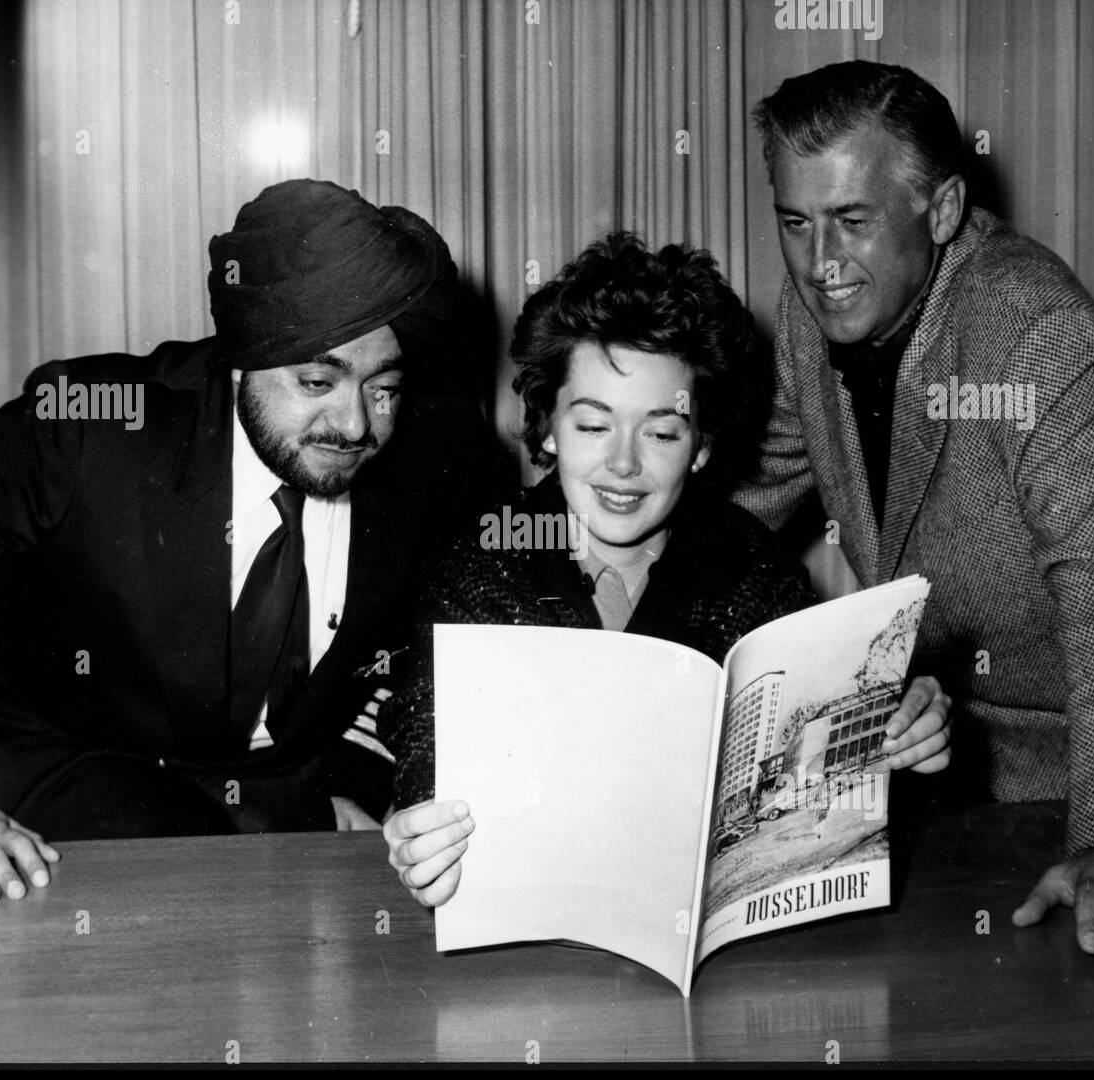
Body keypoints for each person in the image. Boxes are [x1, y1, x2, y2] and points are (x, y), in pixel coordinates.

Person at [0, 179, 500, 902]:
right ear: (241, 358)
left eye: (383, 389)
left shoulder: (439, 457)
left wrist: (359, 784)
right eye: (315, 382)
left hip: (285, 792)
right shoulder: (89, 430)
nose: (355, 425)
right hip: (67, 761)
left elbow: (421, 637)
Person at [738, 60, 1094, 972]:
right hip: (928, 773)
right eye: (795, 221)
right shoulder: (808, 312)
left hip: (1082, 777)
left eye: (854, 222)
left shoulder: (1037, 334)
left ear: (940, 212)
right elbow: (749, 503)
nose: (820, 264)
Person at [382, 233, 952, 906]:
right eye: (594, 427)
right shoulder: (476, 561)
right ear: (546, 430)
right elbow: (425, 729)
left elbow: (828, 764)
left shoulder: (753, 568)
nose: (624, 465)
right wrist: (417, 821)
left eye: (661, 432)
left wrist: (907, 737)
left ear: (702, 447)